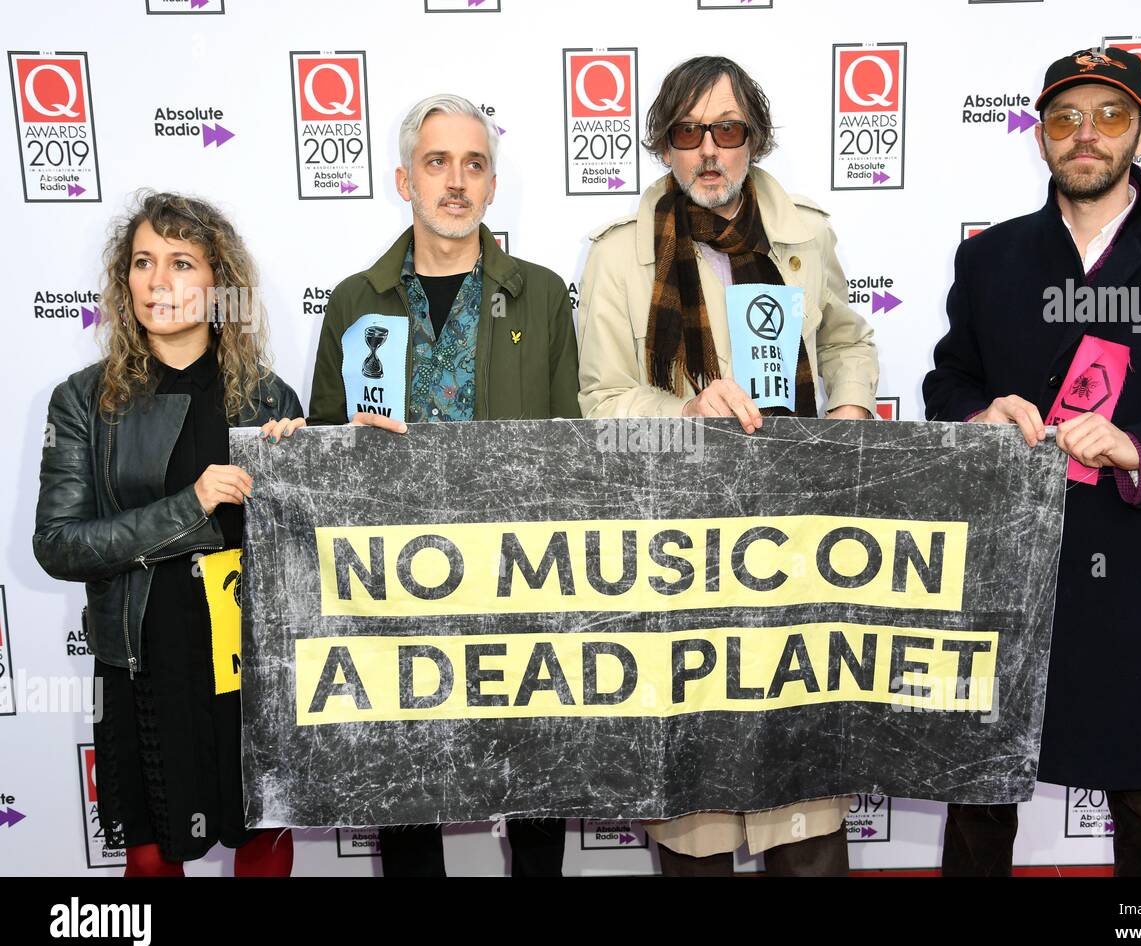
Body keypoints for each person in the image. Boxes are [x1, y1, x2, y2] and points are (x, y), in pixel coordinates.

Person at [922, 46, 1141, 876]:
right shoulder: (990, 258)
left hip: (1134, 571)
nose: (1087, 135)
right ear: (1041, 138)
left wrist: (1139, 446)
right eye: (1066, 117)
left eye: (1111, 116)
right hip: (1004, 572)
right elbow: (949, 377)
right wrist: (982, 411)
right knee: (978, 799)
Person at [576, 56, 879, 875]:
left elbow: (846, 336)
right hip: (682, 551)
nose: (709, 150)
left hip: (799, 540)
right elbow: (602, 400)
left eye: (729, 131)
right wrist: (685, 411)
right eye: (688, 132)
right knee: (699, 815)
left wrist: (847, 412)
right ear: (665, 146)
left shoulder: (806, 235)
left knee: (805, 809)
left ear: (755, 141)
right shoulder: (617, 257)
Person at [305, 94, 579, 876]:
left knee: (535, 782)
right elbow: (324, 455)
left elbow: (575, 448)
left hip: (522, 580)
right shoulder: (357, 302)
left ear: (492, 185)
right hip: (398, 587)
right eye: (437, 163)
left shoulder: (542, 293)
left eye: (473, 164)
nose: (455, 181)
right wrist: (339, 449)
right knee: (405, 786)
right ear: (404, 180)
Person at [34, 191, 302, 876]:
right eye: (144, 262)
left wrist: (319, 471)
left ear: (220, 283)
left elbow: (307, 558)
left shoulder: (269, 400)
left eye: (182, 262)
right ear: (124, 280)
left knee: (265, 845)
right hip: (142, 663)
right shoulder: (81, 402)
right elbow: (60, 543)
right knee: (151, 863)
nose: (159, 282)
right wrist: (190, 506)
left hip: (250, 665)